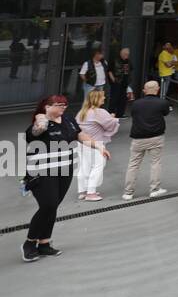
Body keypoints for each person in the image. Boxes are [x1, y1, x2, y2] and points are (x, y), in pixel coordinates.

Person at [22, 96, 110, 261]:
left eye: (65, 104)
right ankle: (29, 242)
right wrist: (43, 120)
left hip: (64, 170)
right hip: (42, 171)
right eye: (58, 105)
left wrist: (97, 145)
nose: (63, 107)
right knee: (48, 205)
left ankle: (44, 243)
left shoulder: (68, 119)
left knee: (53, 206)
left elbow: (79, 135)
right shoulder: (41, 120)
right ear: (47, 107)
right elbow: (36, 131)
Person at [122, 80, 170, 200]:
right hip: (156, 137)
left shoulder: (136, 104)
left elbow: (133, 114)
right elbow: (166, 113)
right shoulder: (162, 103)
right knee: (155, 163)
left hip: (138, 138)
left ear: (144, 90)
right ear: (157, 89)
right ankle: (155, 189)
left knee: (133, 165)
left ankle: (128, 192)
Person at [75, 89, 117, 202]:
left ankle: (82, 191)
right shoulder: (99, 112)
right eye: (102, 96)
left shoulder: (81, 112)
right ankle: (91, 192)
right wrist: (113, 118)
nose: (104, 98)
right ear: (97, 98)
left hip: (81, 143)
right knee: (98, 166)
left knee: (84, 166)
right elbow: (110, 124)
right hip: (96, 143)